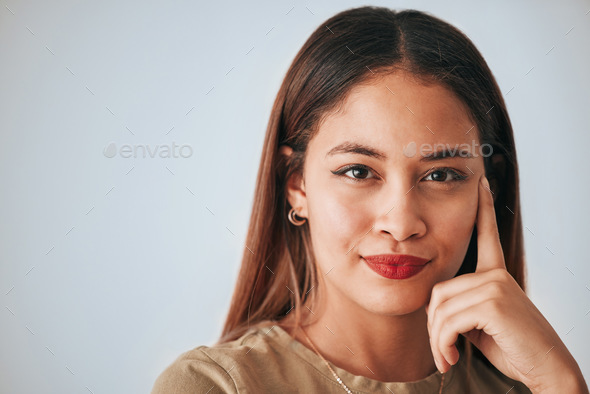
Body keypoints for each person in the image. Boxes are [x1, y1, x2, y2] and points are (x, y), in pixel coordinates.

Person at [152, 6, 588, 393]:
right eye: (358, 171)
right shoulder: (217, 386)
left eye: (441, 175)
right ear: (297, 186)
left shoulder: (530, 386)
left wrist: (562, 385)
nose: (400, 223)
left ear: (486, 190)